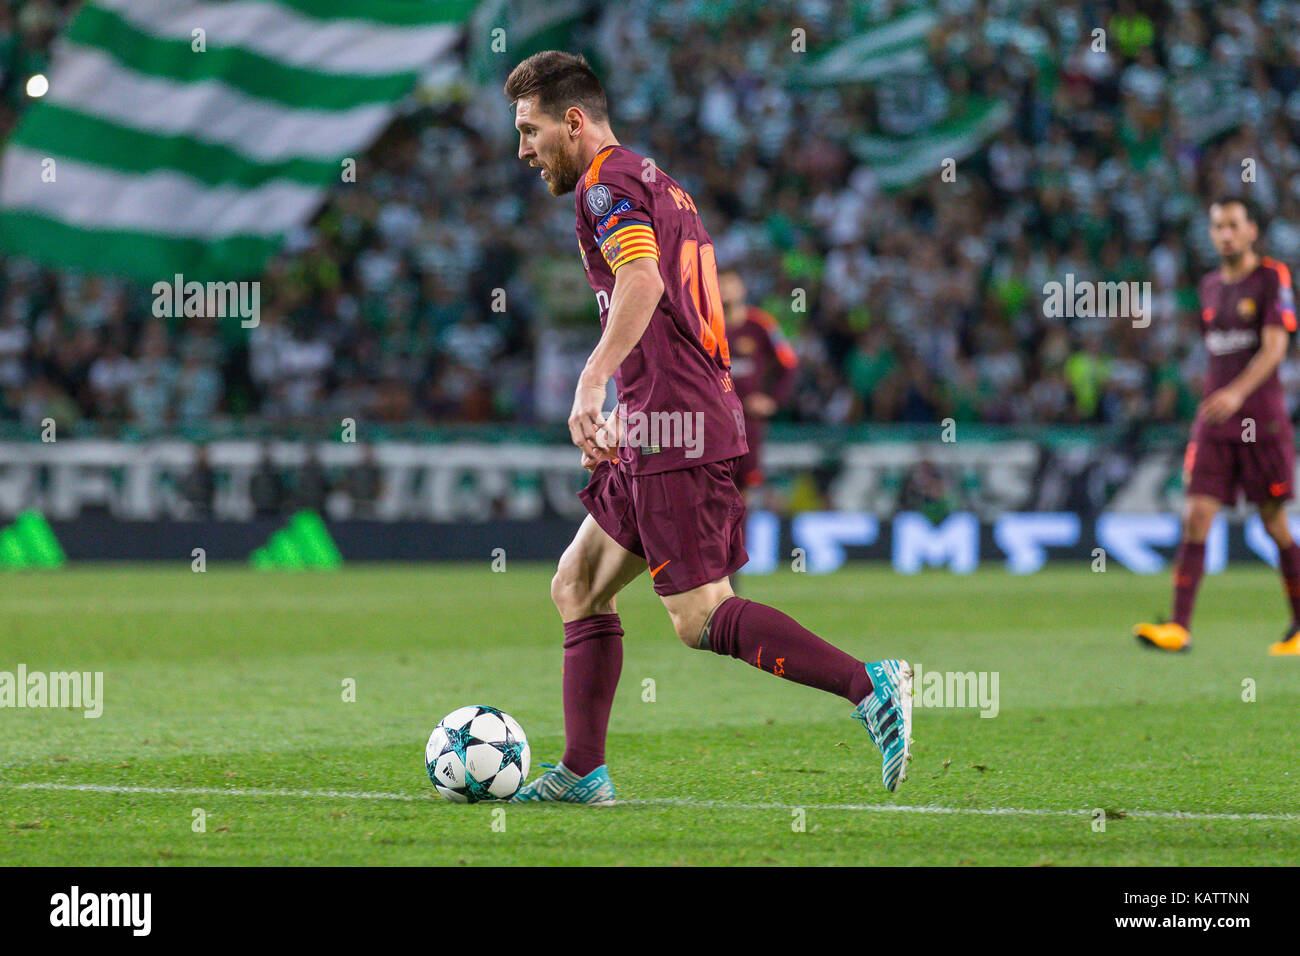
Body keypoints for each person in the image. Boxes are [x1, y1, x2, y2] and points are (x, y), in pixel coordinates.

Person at [505, 51, 913, 805]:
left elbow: (642, 280)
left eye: (530, 131)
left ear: (573, 121)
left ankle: (869, 685)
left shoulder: (603, 184)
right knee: (578, 585)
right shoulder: (658, 181)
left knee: (699, 616)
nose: (523, 149)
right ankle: (583, 771)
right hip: (662, 418)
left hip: (674, 423)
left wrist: (592, 382)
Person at [1134, 196, 1300, 655]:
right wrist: (1217, 396)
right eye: (1217, 226)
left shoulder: (1271, 277)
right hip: (1214, 422)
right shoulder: (1209, 286)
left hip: (1260, 421)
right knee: (1196, 517)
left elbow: (1274, 348)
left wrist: (1236, 394)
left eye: (1232, 225)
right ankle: (1179, 628)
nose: (1224, 234)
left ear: (1251, 231)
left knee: (1274, 525)